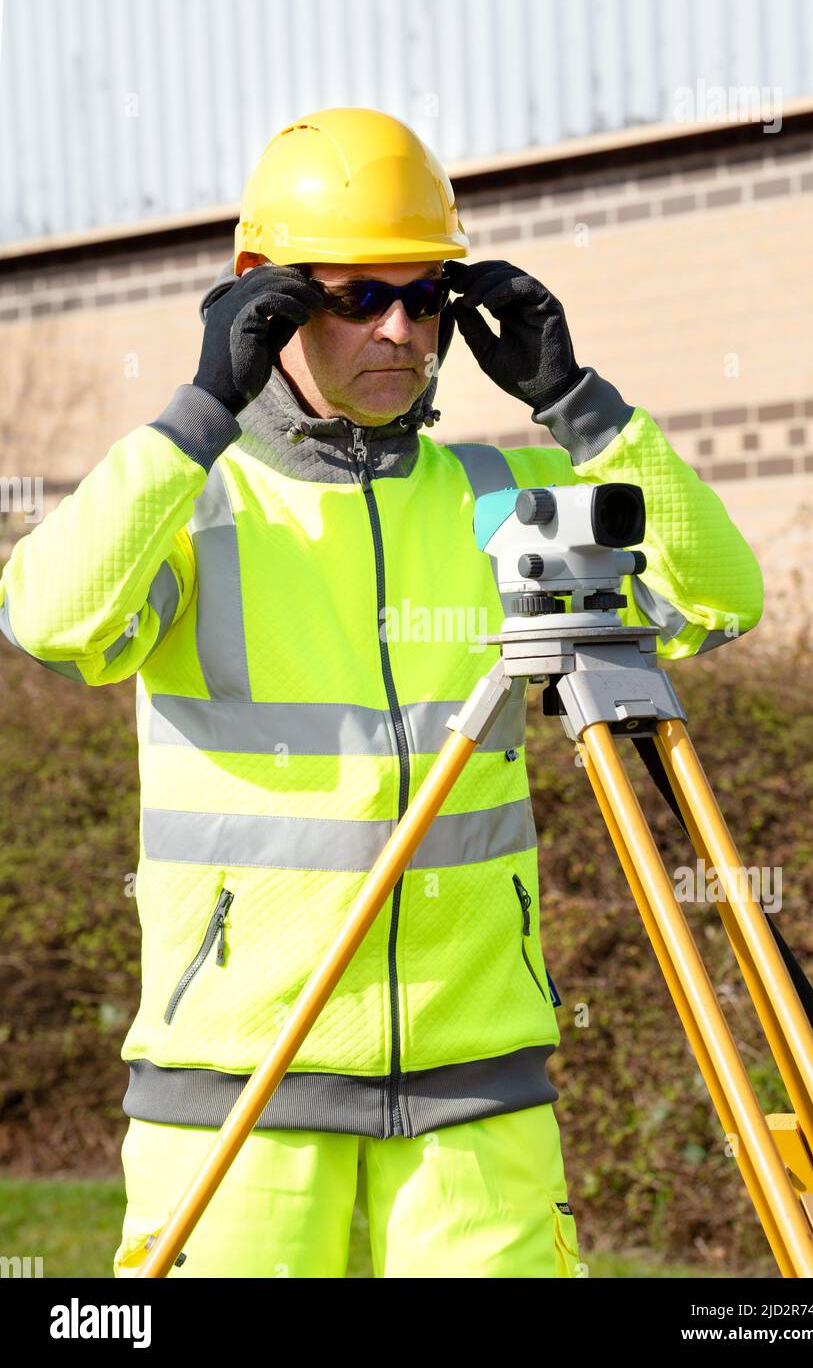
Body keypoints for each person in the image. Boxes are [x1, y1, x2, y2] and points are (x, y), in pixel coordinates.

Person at [0, 107, 764, 1278]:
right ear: (264, 298)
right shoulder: (191, 502)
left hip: (476, 1083)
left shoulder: (508, 496)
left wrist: (581, 405)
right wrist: (199, 410)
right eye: (357, 295)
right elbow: (48, 618)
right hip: (234, 1086)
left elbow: (718, 596)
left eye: (427, 298)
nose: (400, 330)